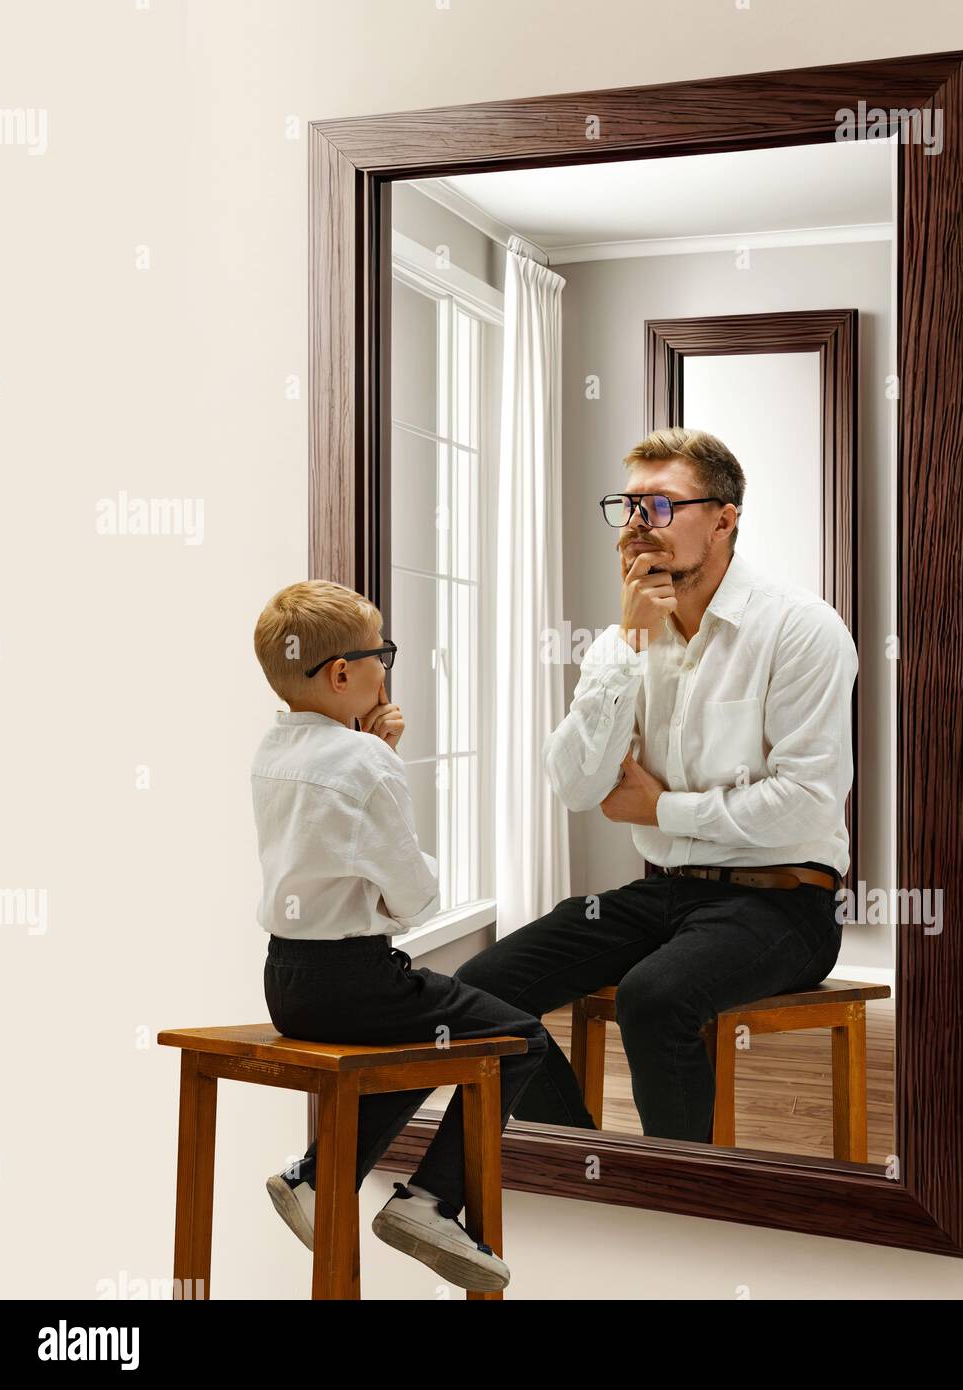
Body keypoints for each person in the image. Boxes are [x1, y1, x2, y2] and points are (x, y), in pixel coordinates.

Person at [455, 428, 858, 1144]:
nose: (639, 526)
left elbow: (806, 801)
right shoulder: (624, 640)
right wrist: (628, 645)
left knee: (654, 997)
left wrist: (660, 807)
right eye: (630, 507)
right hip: (668, 891)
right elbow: (576, 786)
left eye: (662, 507)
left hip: (784, 901)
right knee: (480, 987)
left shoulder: (801, 629)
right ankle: (588, 1161)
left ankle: (690, 1195)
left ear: (724, 518)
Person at [250, 579, 547, 1293]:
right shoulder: (368, 762)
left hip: (287, 983)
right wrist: (383, 759)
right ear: (342, 675)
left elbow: (330, 842)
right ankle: (429, 1204)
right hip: (355, 978)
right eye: (380, 653)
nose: (389, 666)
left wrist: (370, 749)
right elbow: (415, 897)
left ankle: (319, 1177)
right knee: (523, 1039)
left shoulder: (271, 749)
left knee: (419, 1044)